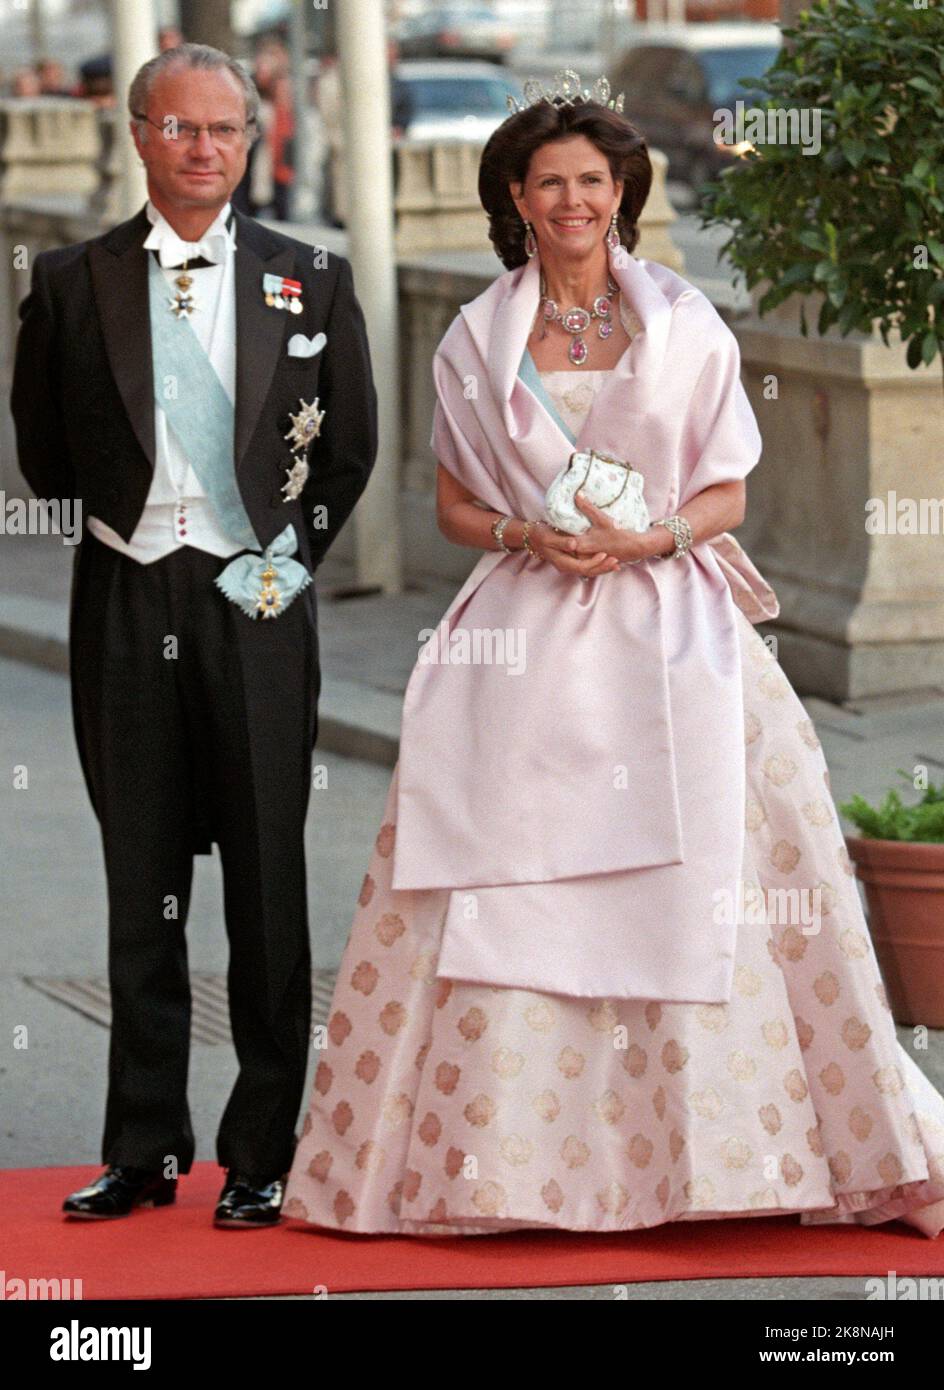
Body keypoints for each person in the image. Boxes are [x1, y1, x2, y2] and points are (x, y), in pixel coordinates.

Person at [283, 74, 944, 1238]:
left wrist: (656, 535)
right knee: (498, 868)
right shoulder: (477, 335)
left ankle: (727, 1165)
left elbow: (731, 487)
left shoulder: (684, 323)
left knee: (723, 865)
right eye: (552, 183)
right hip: (525, 629)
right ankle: (492, 1171)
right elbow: (448, 506)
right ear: (516, 199)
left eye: (593, 180)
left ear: (620, 192)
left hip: (674, 624)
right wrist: (525, 531)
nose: (575, 199)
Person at [11, 42, 377, 1227]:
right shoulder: (71, 280)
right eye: (180, 128)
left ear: (250, 138)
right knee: (143, 882)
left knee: (269, 881)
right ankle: (143, 1146)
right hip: (126, 597)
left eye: (224, 128)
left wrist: (289, 556)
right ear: (139, 135)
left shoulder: (309, 275)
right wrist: (133, 523)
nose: (204, 148)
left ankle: (264, 1147)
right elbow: (45, 450)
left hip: (257, 606)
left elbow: (350, 447)